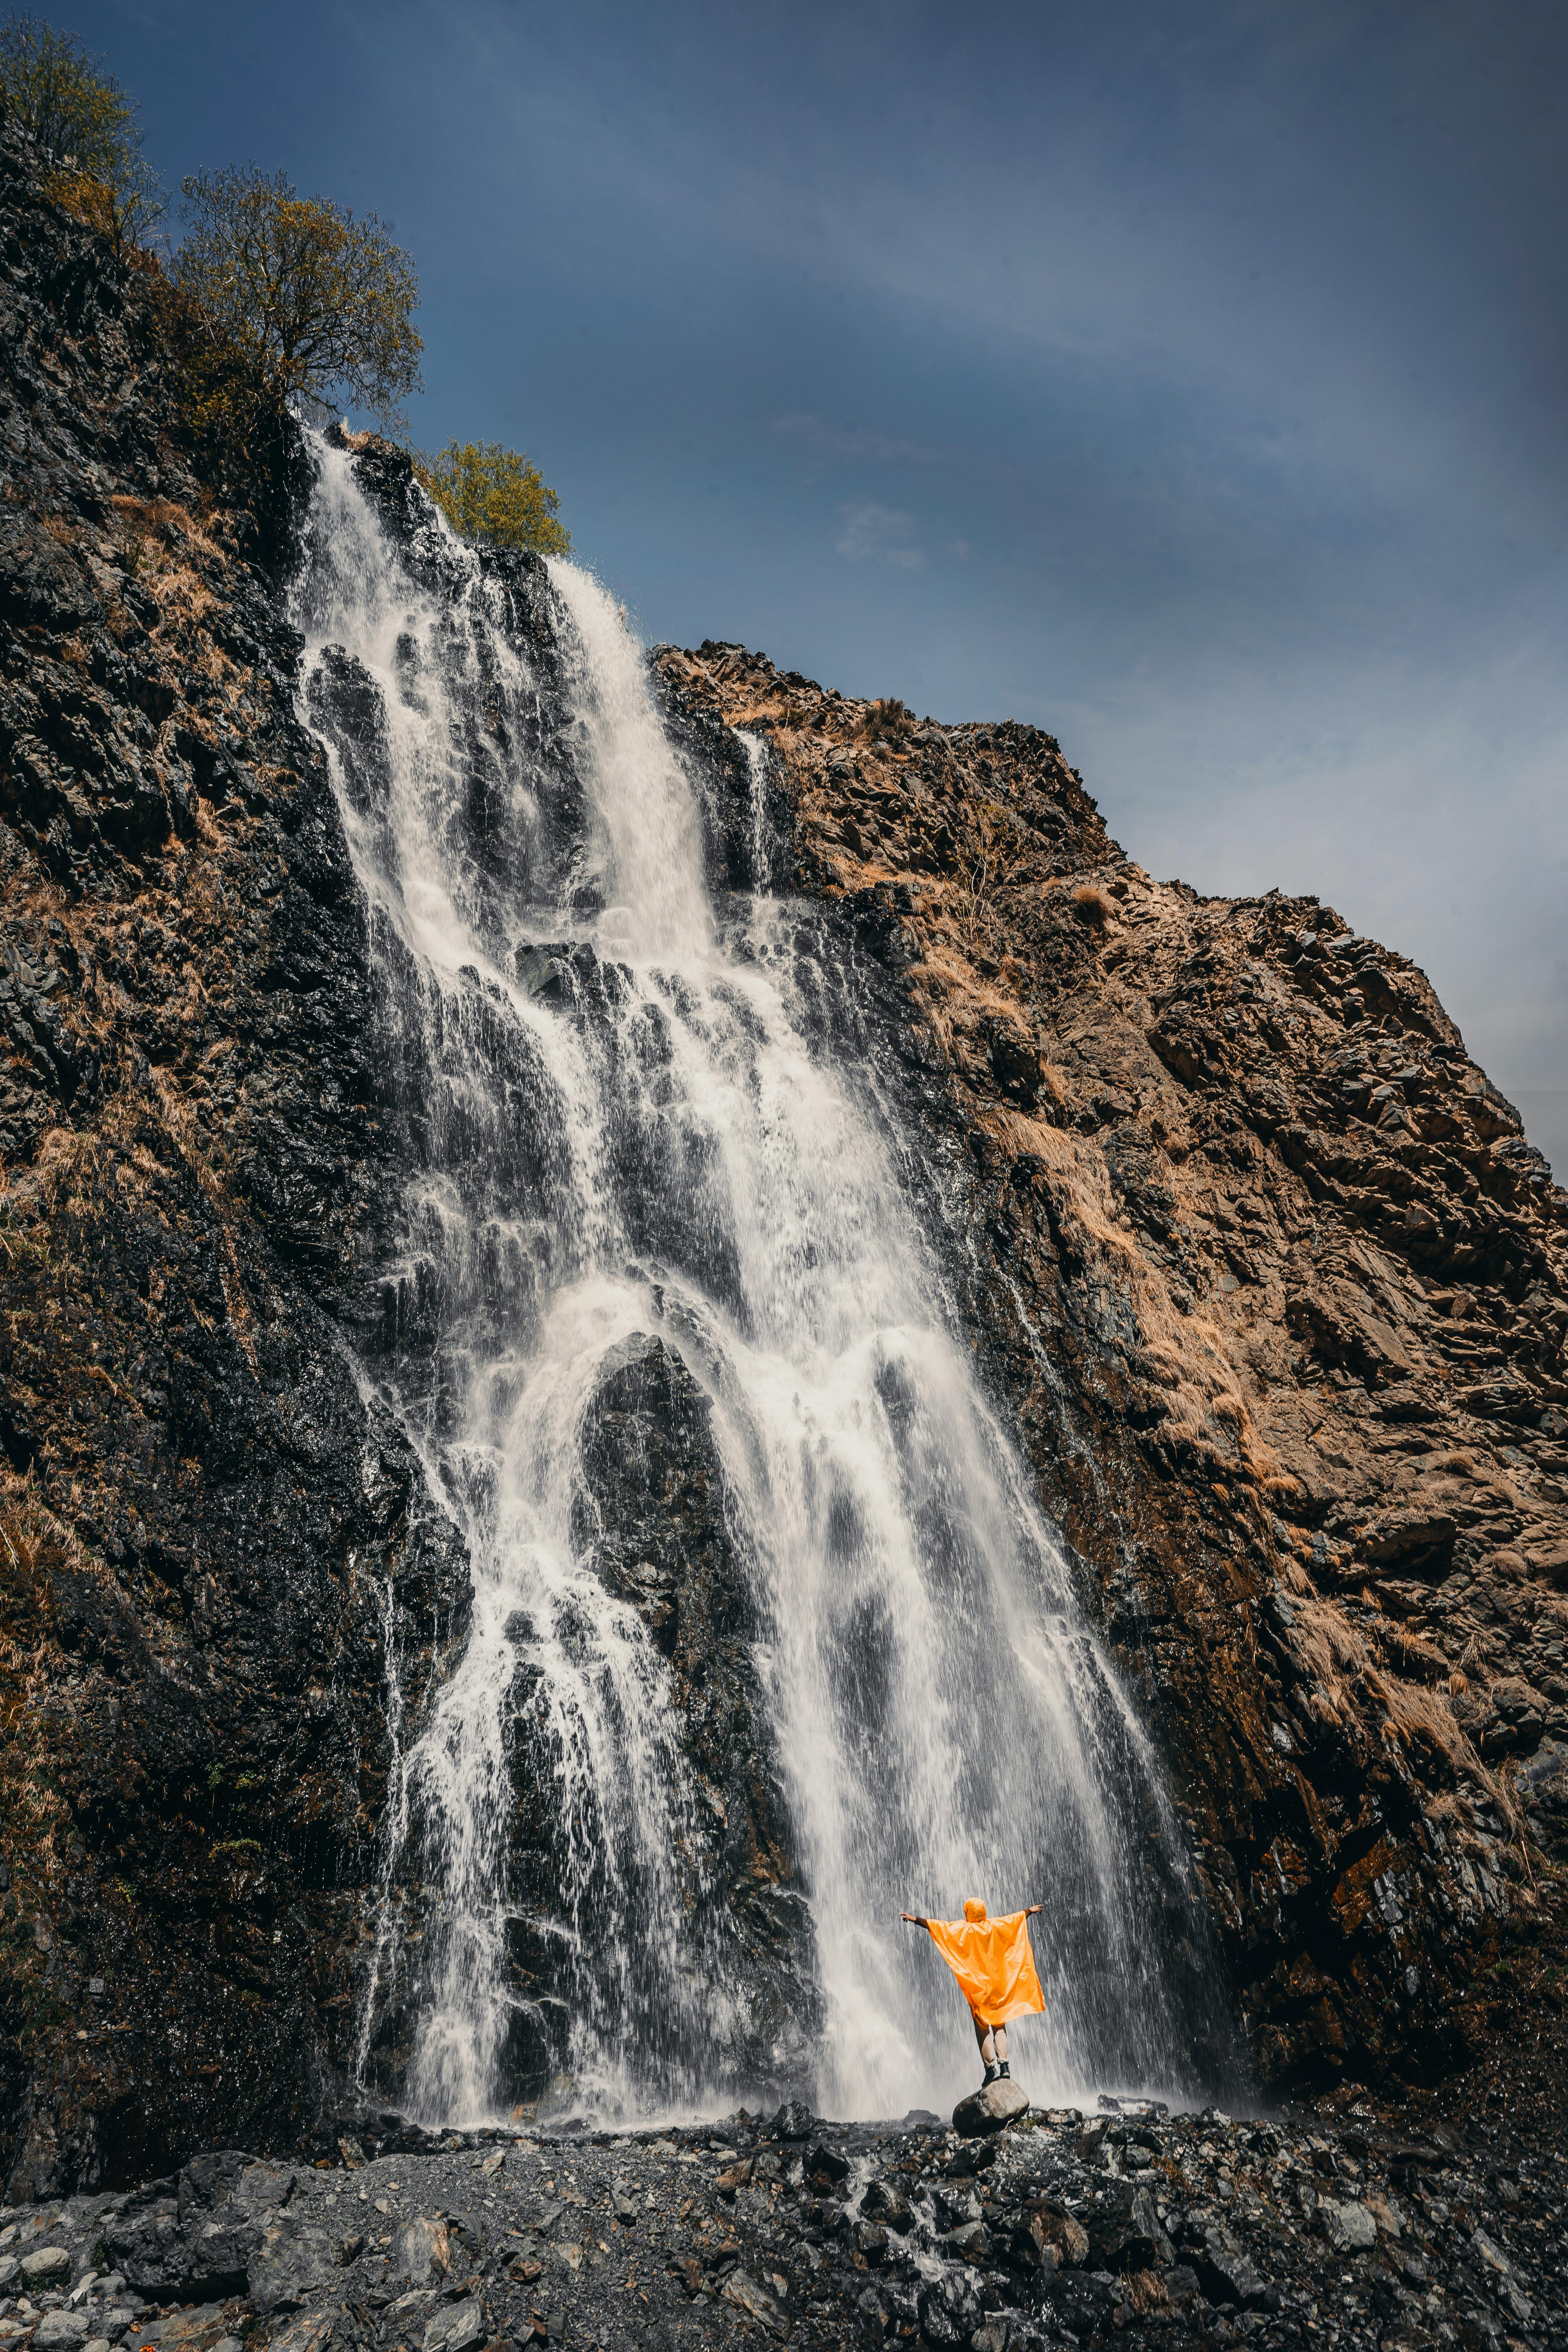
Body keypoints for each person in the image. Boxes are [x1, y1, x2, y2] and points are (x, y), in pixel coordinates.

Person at [901, 1896, 1045, 2087]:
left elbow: (938, 1927)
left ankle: (991, 2069)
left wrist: (915, 1919)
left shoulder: (964, 1930)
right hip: (997, 1988)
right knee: (1000, 2026)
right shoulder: (994, 1926)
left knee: (982, 2027)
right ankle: (1005, 2067)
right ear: (984, 1912)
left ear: (968, 1912)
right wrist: (1030, 1910)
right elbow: (1015, 1920)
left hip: (979, 1991)